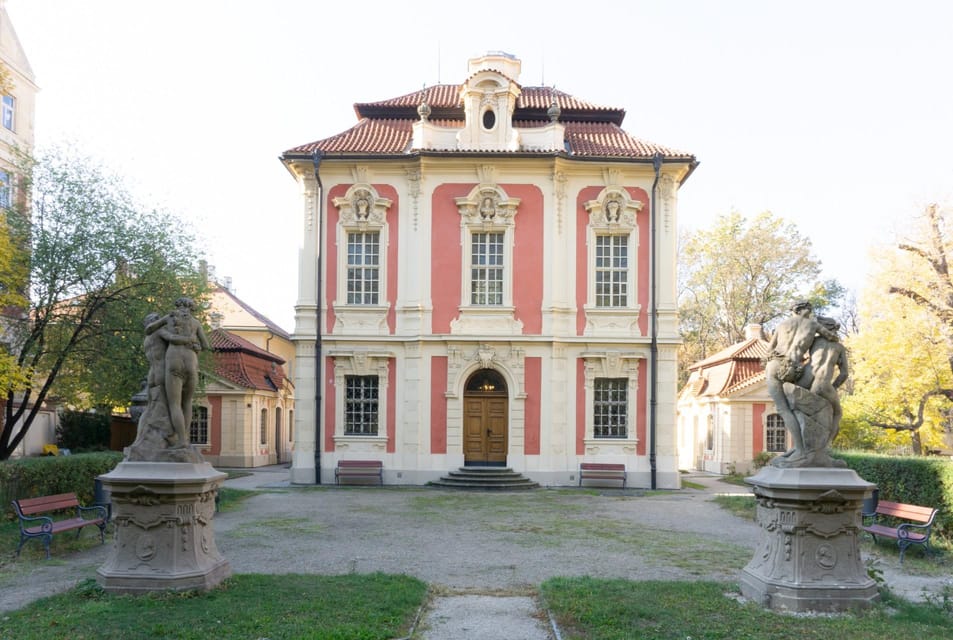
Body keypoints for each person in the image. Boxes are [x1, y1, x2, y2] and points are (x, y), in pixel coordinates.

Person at [764, 301, 839, 459]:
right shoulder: (813, 325)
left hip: (775, 366)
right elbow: (832, 337)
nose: (811, 312)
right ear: (802, 310)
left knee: (784, 410)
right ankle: (801, 448)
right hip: (795, 369)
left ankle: (799, 449)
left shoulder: (782, 325)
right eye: (809, 309)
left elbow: (769, 350)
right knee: (796, 407)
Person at [162, 297, 210, 448]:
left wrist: (166, 334)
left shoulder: (169, 318)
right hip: (191, 361)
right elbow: (206, 345)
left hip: (175, 360)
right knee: (187, 402)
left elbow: (149, 329)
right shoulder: (196, 323)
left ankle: (181, 440)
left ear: (177, 305)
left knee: (174, 404)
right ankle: (186, 438)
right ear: (191, 308)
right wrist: (196, 347)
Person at [798, 316, 849, 445]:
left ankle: (801, 446)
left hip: (804, 380)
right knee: (837, 413)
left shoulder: (813, 341)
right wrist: (833, 387)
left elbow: (798, 351)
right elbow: (844, 374)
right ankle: (826, 446)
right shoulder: (839, 347)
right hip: (823, 382)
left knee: (801, 413)